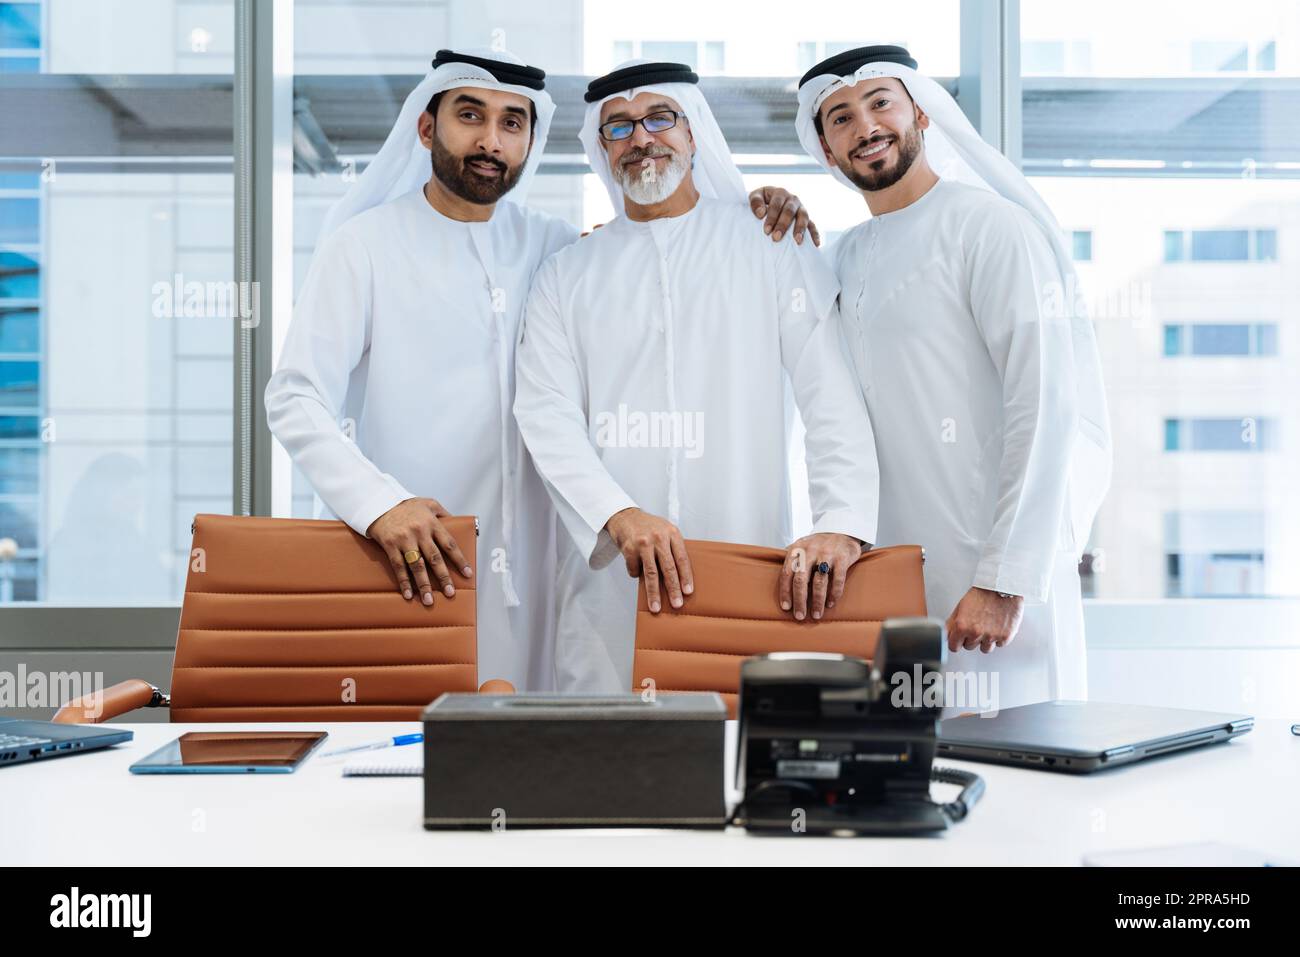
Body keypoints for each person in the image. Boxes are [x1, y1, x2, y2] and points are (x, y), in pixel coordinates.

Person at [266, 48, 823, 691]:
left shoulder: (553, 247)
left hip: (548, 562)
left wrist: (753, 203)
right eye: (470, 116)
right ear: (426, 128)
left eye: (512, 123)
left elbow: (653, 252)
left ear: (529, 140)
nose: (490, 140)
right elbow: (295, 396)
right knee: (419, 759)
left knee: (543, 756)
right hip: (416, 552)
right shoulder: (362, 246)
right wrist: (380, 506)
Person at [514, 60, 880, 693]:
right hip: (608, 588)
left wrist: (840, 520)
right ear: (601, 151)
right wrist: (618, 514)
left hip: (747, 567)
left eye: (661, 118)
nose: (641, 137)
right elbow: (545, 415)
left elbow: (830, 395)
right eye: (619, 128)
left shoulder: (769, 242)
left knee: (736, 771)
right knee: (601, 766)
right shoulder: (566, 273)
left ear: (693, 133)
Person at [796, 45, 1112, 711]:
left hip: (997, 586)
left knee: (1024, 784)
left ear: (921, 113)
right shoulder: (845, 257)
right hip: (899, 587)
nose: (866, 126)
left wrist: (1004, 577)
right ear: (827, 151)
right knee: (919, 785)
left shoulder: (990, 227)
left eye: (881, 102)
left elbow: (1045, 402)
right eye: (841, 118)